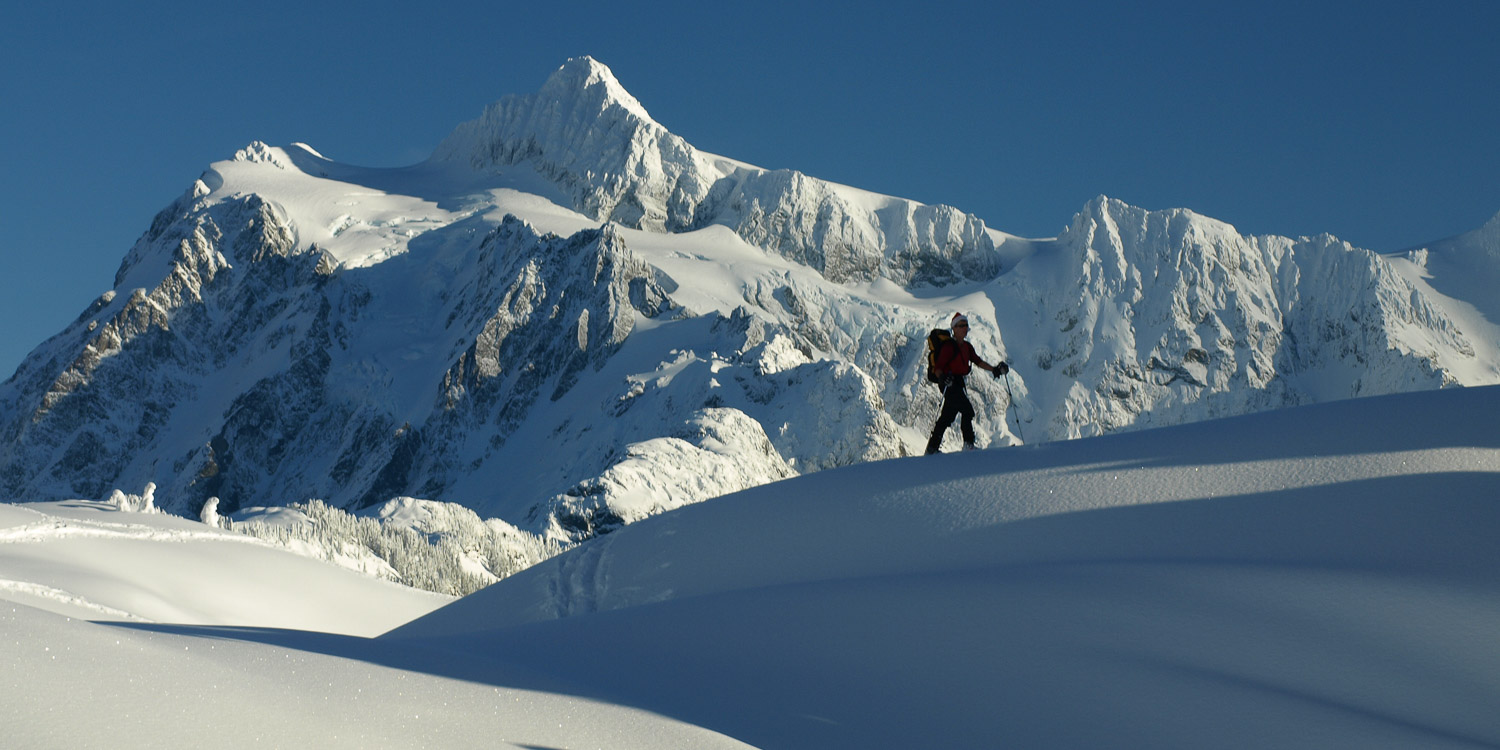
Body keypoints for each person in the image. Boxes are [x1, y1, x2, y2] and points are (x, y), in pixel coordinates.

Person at [925, 312, 1008, 455]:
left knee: (947, 416)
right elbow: (938, 368)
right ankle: (968, 443)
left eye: (966, 325)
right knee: (967, 410)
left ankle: (932, 448)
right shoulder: (948, 347)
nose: (965, 328)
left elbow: (978, 361)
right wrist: (943, 379)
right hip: (949, 383)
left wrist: (994, 369)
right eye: (961, 325)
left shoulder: (967, 347)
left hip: (955, 382)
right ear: (954, 328)